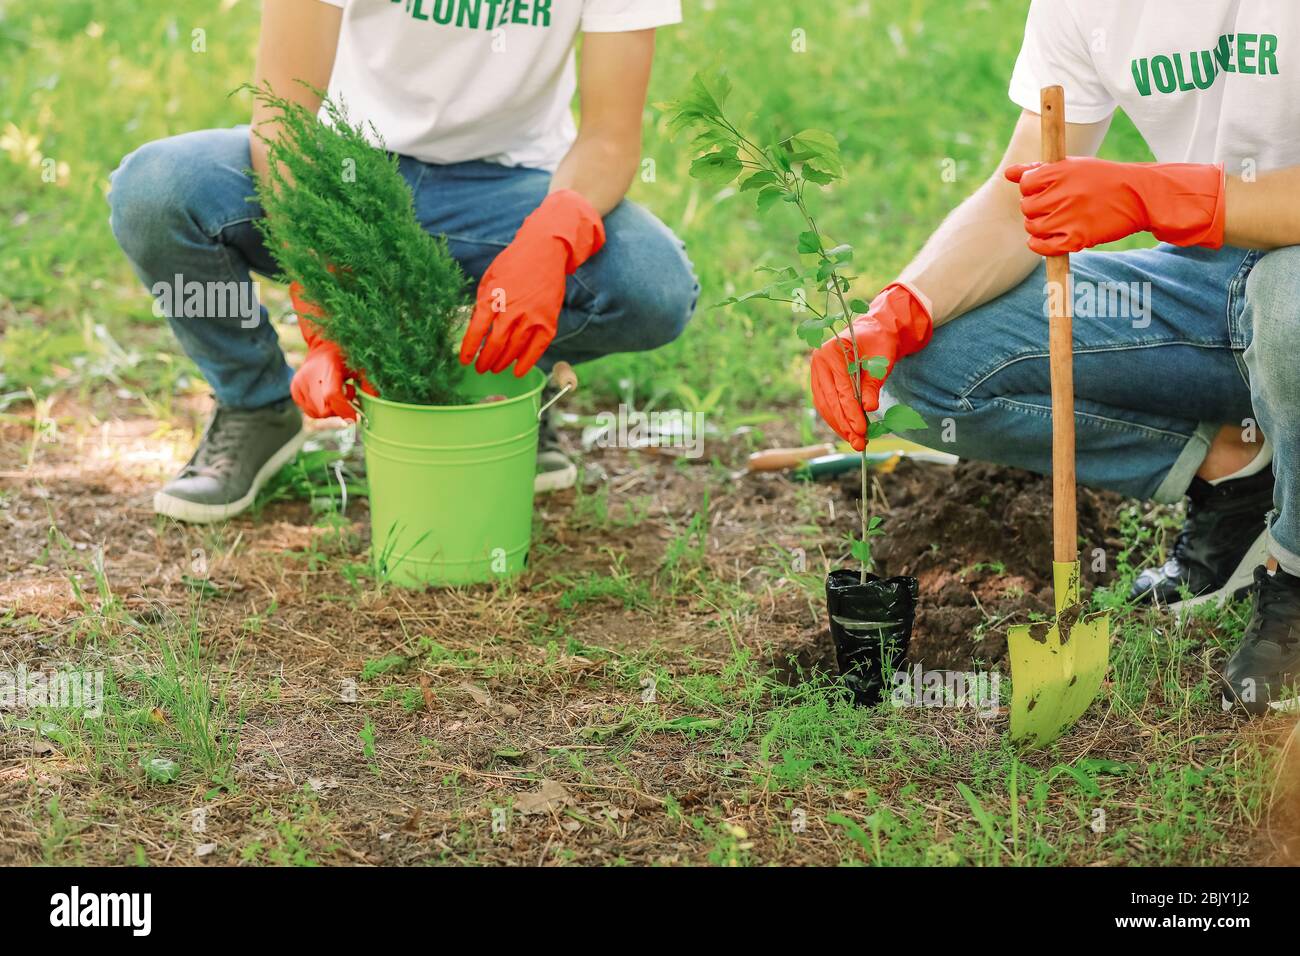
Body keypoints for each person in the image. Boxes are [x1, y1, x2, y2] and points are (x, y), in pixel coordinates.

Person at [810, 0, 1300, 715]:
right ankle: (1239, 470)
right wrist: (901, 308)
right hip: (1208, 277)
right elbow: (1018, 203)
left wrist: (1160, 195)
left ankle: (1293, 580)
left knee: (1289, 302)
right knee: (928, 373)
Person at [108, 0, 698, 522]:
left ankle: (503, 385)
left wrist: (552, 236)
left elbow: (610, 139)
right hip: (344, 172)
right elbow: (283, 124)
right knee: (158, 190)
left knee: (652, 283)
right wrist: (327, 304)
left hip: (509, 189)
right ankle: (257, 405)